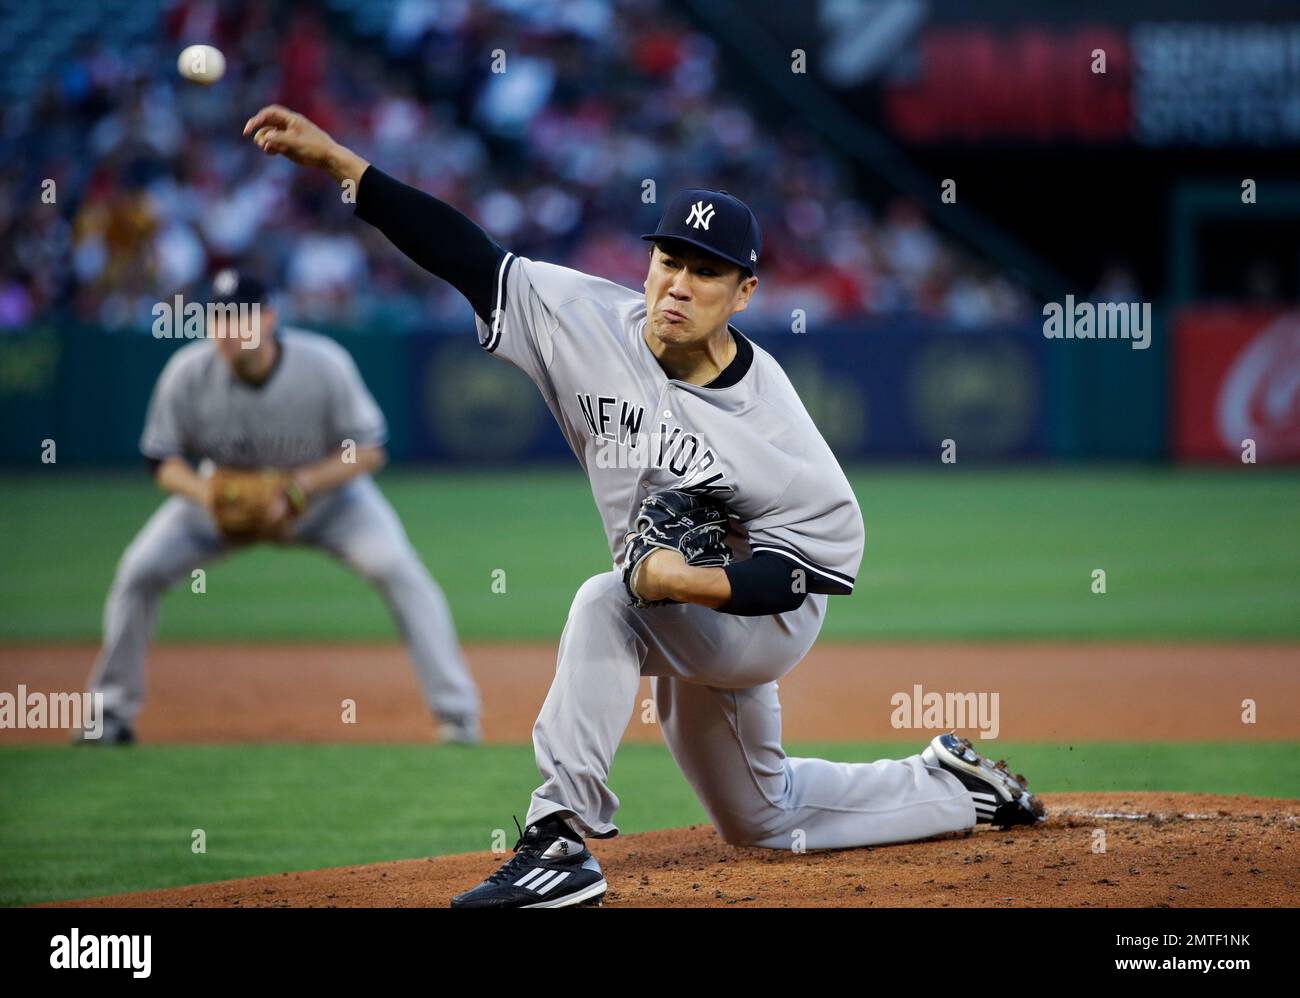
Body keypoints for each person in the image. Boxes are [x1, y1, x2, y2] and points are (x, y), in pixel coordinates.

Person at [242, 105, 1045, 909]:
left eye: (705, 272)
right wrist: (347, 168)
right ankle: (951, 786)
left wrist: (679, 581)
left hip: (760, 617)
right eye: (668, 260)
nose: (677, 285)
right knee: (766, 816)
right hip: (676, 599)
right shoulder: (587, 320)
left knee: (607, 601)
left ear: (745, 292)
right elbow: (467, 257)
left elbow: (797, 582)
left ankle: (557, 837)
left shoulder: (773, 423)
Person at [78, 269, 482, 746]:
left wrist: (299, 486)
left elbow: (370, 449)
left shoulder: (323, 364)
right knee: (139, 570)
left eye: (240, 318)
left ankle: (457, 717)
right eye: (219, 318)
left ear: (269, 318)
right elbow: (159, 458)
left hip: (328, 504)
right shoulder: (188, 372)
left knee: (398, 569)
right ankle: (108, 716)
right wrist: (206, 495)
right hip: (219, 506)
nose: (229, 330)